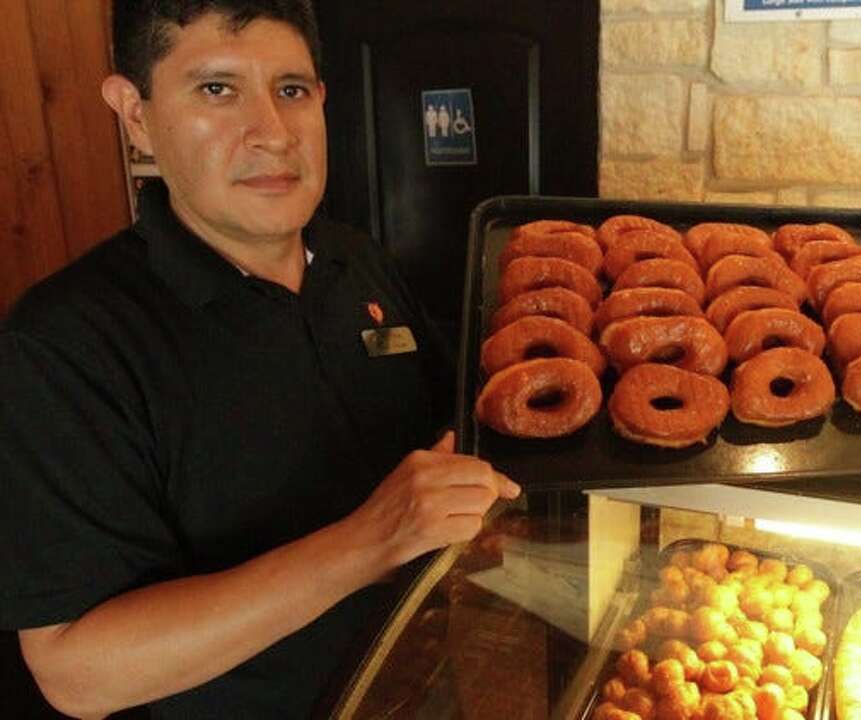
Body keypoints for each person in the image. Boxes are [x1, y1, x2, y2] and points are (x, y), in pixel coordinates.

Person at [0, 2, 519, 718]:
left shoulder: (356, 260)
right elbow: (77, 671)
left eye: (291, 90)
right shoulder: (66, 344)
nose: (273, 133)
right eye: (217, 89)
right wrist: (365, 544)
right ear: (135, 113)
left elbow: (449, 440)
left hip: (428, 689)